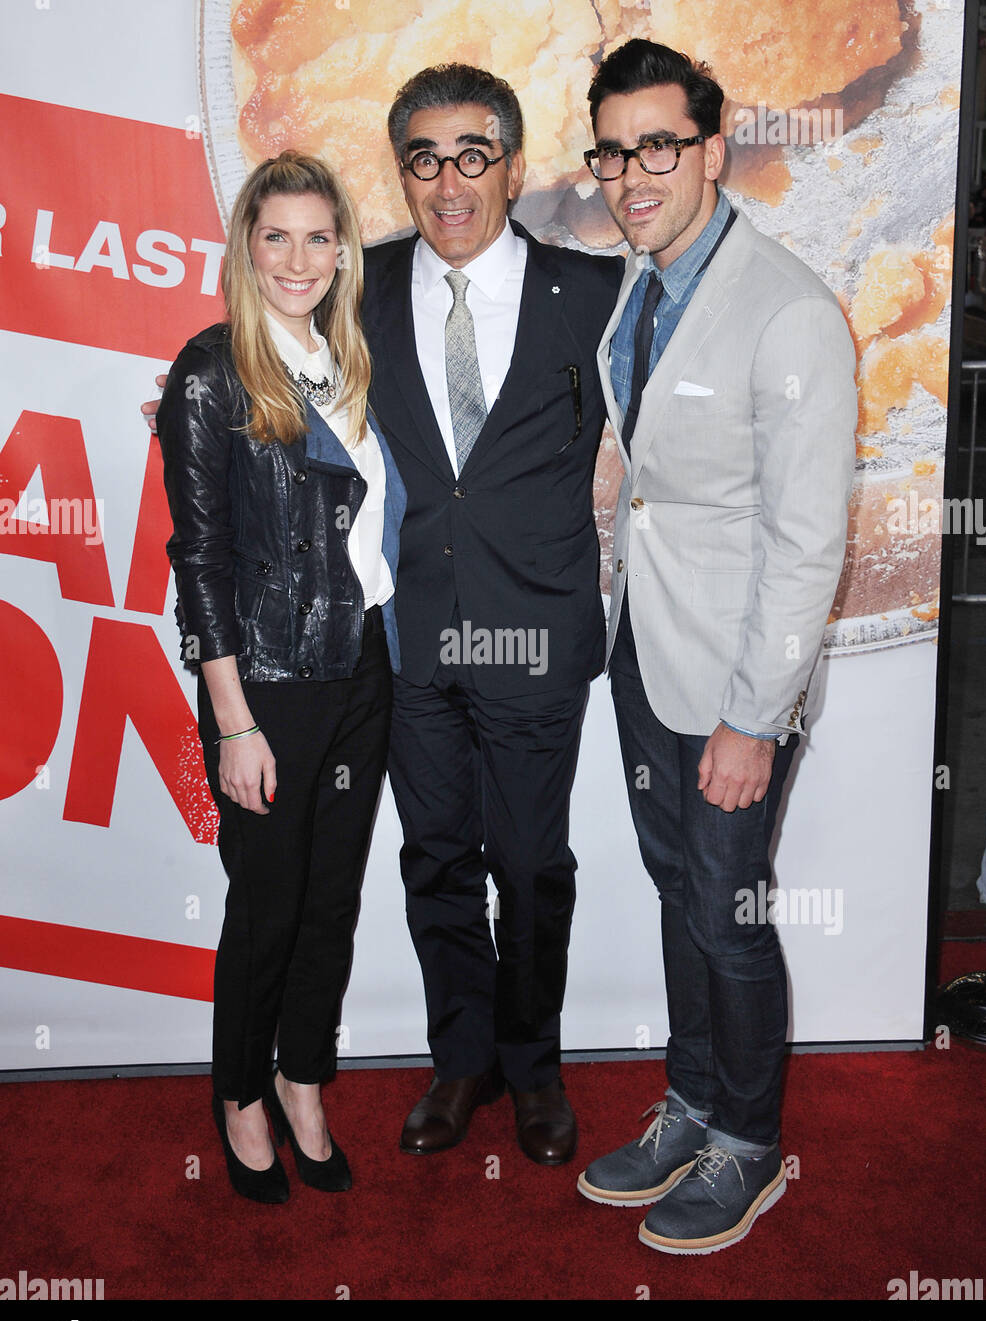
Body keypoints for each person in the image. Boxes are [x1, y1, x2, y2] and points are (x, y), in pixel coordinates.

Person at [575, 40, 857, 1251]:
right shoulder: (643, 281)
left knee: (730, 912)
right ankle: (692, 1103)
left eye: (658, 145)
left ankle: (749, 1140)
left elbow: (807, 542)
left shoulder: (788, 308)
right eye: (613, 150)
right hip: (645, 651)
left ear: (714, 143)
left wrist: (755, 717)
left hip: (738, 683)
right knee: (678, 892)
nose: (632, 174)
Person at [362, 66, 622, 1165]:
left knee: (531, 865)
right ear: (404, 174)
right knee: (434, 858)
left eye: (474, 154)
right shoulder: (356, 286)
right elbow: (257, 352)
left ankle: (535, 1066)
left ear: (514, 166)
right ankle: (460, 1060)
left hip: (535, 638)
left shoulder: (596, 291)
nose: (449, 181)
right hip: (413, 641)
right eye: (424, 158)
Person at [157, 151, 405, 1203]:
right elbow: (199, 561)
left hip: (363, 668)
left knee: (332, 901)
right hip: (265, 683)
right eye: (276, 237)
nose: (298, 258)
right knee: (265, 905)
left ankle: (305, 1077)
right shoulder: (212, 371)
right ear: (245, 249)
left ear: (341, 248)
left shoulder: (350, 363)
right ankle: (242, 1094)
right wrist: (233, 722)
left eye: (318, 236)